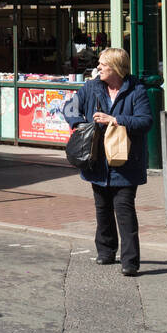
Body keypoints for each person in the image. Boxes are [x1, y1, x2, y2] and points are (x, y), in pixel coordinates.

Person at [63, 47, 152, 276]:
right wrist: (77, 123)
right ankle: (106, 251)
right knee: (102, 209)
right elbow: (70, 106)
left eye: (102, 64)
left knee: (124, 210)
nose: (98, 68)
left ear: (115, 68)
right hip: (97, 160)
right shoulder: (92, 87)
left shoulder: (136, 90)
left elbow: (145, 122)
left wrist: (115, 120)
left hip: (126, 162)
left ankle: (130, 261)